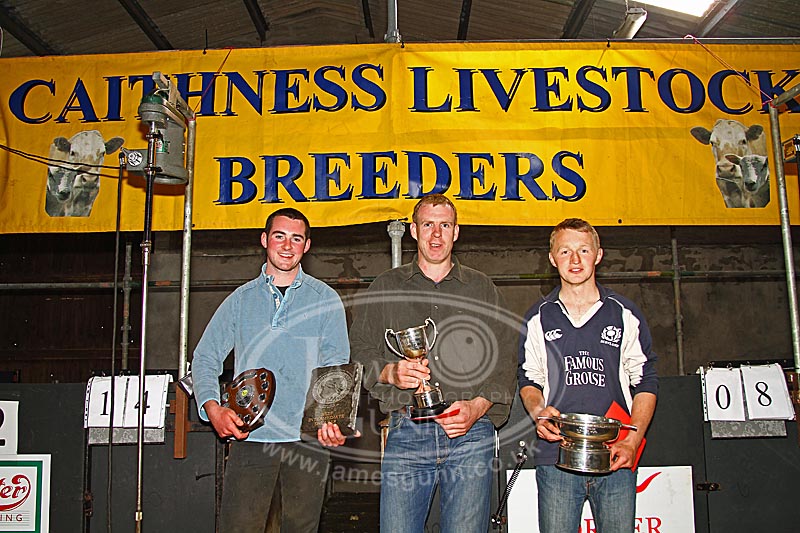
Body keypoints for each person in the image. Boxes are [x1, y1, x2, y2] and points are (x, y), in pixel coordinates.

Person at [350, 194, 517, 533]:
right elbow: (357, 353)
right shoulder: (386, 287)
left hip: (470, 433)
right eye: (428, 225)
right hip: (406, 430)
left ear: (457, 232)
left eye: (445, 225)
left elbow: (506, 358)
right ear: (413, 230)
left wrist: (478, 407)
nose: (436, 235)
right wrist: (390, 372)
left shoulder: (482, 288)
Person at [191, 207, 352, 533]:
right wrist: (213, 409)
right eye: (279, 236)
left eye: (297, 238)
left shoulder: (326, 299)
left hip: (307, 441)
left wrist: (332, 420)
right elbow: (205, 357)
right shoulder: (240, 301)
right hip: (252, 437)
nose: (287, 245)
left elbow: (335, 369)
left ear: (307, 245)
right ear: (265, 240)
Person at [518, 218, 659, 533]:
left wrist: (633, 442)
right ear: (553, 259)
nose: (575, 259)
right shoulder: (538, 317)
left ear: (599, 254)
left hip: (615, 455)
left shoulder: (624, 314)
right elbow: (529, 380)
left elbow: (646, 381)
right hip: (557, 458)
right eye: (565, 251)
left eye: (583, 250)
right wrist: (539, 412)